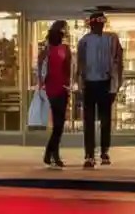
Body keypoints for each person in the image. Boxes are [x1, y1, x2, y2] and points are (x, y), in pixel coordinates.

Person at [77, 10, 123, 169]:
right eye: (97, 24)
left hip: (105, 83)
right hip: (90, 83)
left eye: (101, 24)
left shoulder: (111, 39)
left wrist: (117, 84)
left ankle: (104, 150)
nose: (99, 26)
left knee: (105, 120)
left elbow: (119, 61)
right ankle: (89, 154)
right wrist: (80, 84)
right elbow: (80, 64)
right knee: (89, 121)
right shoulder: (84, 41)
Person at [36, 20, 72, 169]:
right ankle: (51, 154)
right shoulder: (50, 51)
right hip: (54, 88)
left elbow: (67, 69)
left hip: (59, 88)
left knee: (59, 124)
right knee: (58, 124)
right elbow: (40, 70)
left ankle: (52, 153)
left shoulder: (56, 50)